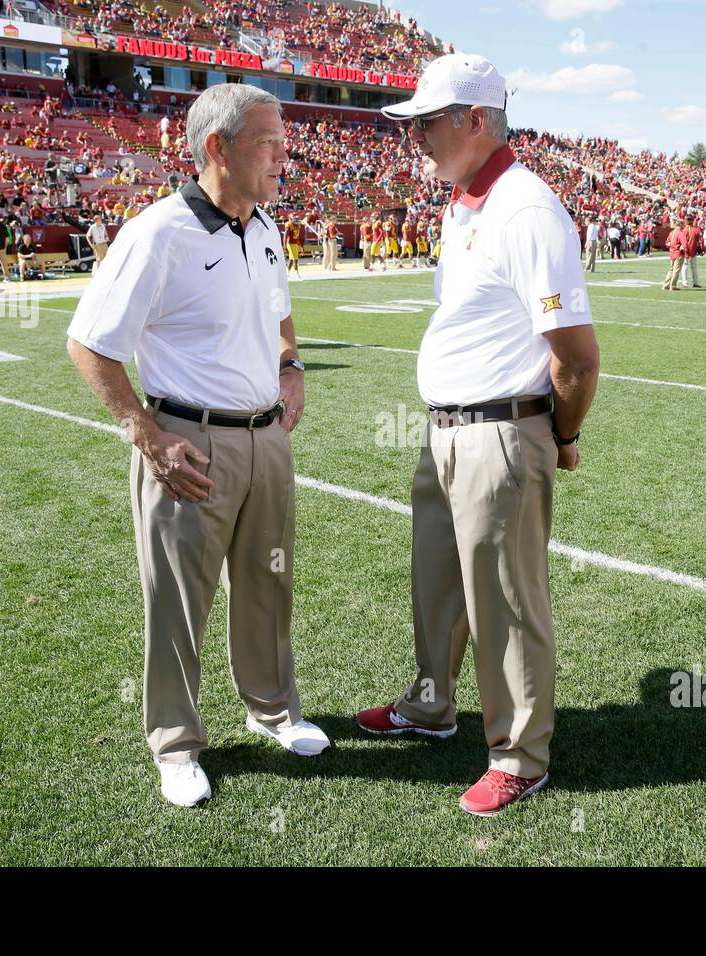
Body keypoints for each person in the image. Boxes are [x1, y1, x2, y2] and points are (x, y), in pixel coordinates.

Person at [66, 83, 329, 810]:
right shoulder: (157, 233)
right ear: (218, 146)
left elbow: (280, 314)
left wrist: (292, 368)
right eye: (269, 141)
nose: (284, 154)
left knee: (269, 584)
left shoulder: (267, 227)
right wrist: (145, 435)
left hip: (264, 436)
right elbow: (89, 344)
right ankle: (176, 743)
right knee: (181, 601)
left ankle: (274, 708)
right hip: (188, 440)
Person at [361, 53, 600, 817]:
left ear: (474, 120)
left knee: (505, 602)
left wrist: (557, 435)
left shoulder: (525, 207)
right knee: (437, 585)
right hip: (448, 431)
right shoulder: (463, 203)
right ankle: (432, 705)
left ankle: (520, 753)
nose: (416, 138)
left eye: (427, 122)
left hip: (501, 432)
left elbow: (576, 357)